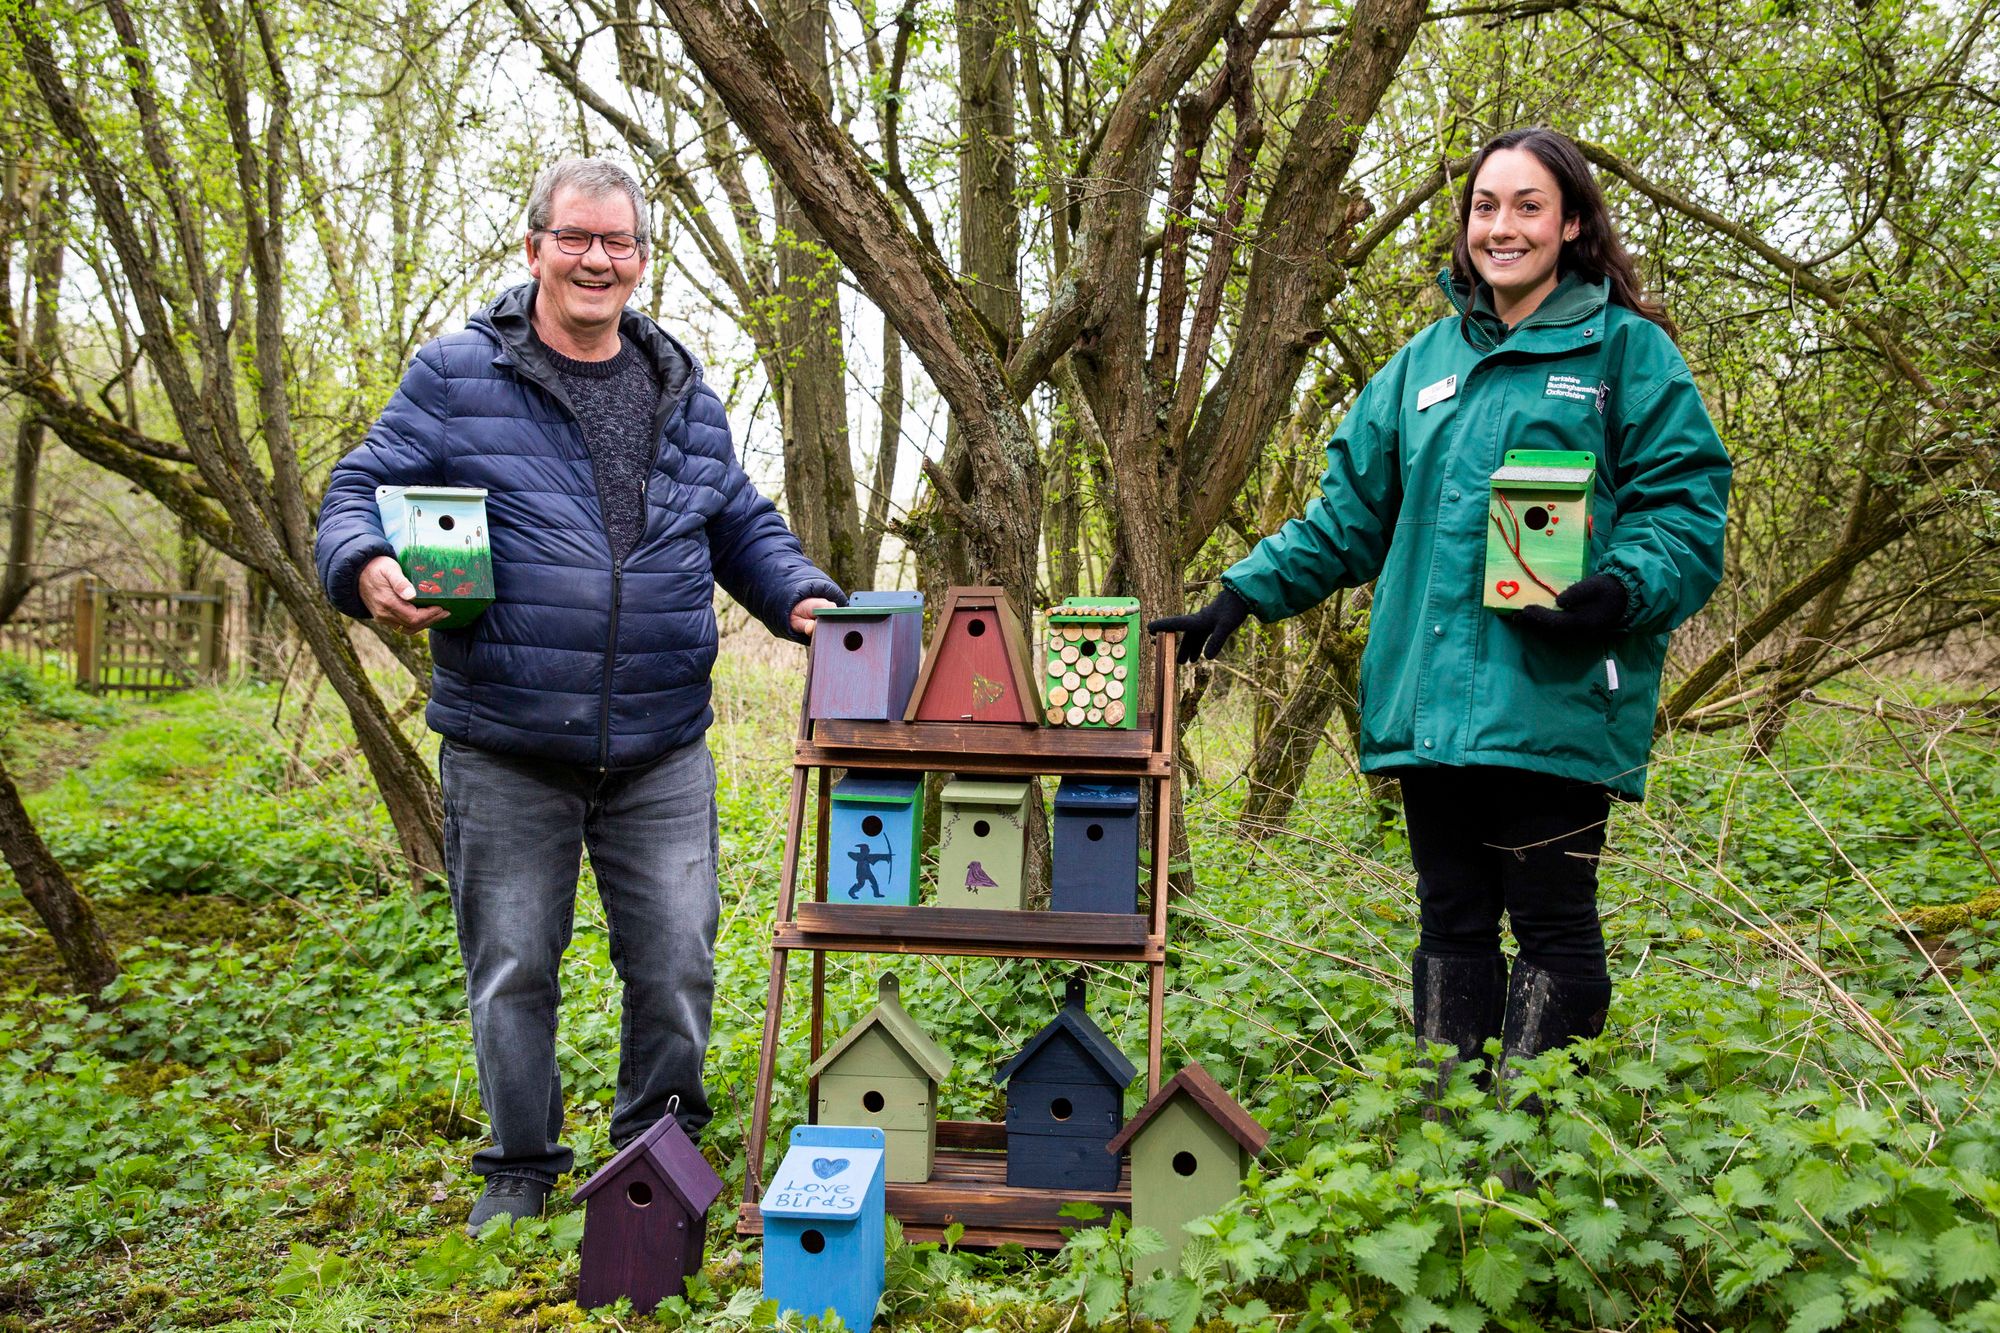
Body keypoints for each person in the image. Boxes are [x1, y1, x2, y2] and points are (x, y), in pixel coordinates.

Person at [315, 158, 844, 1233]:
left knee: (679, 954)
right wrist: (362, 559)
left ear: (641, 259)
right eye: (575, 238)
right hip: (507, 737)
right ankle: (518, 1163)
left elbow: (737, 522)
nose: (596, 259)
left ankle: (657, 1146)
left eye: (618, 242)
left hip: (659, 740)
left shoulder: (683, 390)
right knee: (512, 962)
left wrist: (804, 599)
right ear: (533, 249)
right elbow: (355, 485)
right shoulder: (459, 373)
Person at [1151, 128, 1730, 1086]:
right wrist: (1240, 596)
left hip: (1552, 698)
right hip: (1429, 702)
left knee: (1552, 921)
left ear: (1572, 221)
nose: (1502, 227)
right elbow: (1345, 519)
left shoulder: (1627, 355)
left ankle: (1533, 1146)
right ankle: (1452, 1138)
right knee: (1451, 920)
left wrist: (1617, 591)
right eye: (1484, 207)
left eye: (1528, 206)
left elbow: (1686, 510)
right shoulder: (1420, 367)